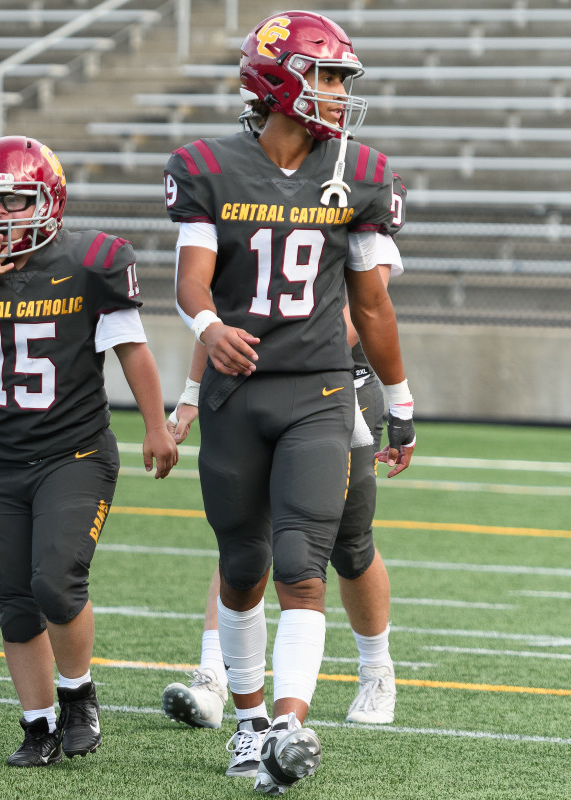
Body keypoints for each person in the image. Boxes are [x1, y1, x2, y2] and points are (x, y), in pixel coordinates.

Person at [165, 10, 416, 795]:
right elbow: (191, 282)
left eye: (343, 79)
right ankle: (245, 725)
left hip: (320, 389)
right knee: (243, 566)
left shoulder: (359, 171)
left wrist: (402, 401)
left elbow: (372, 306)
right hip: (238, 395)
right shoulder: (209, 167)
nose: (340, 94)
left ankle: (286, 724)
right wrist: (209, 330)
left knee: (302, 566)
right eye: (329, 76)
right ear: (280, 81)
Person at [0, 135, 178, 767]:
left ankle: (78, 693)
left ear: (49, 201)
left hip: (75, 454)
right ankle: (37, 726)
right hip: (1, 459)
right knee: (13, 601)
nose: (1, 216)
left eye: (15, 202)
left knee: (57, 584)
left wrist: (155, 424)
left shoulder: (93, 259)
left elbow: (131, 348)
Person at [162, 172, 407, 733]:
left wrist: (281, 355)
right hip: (253, 382)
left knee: (345, 541)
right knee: (243, 535)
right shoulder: (246, 187)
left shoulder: (358, 185)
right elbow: (220, 314)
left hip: (335, 383)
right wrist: (194, 394)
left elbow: (362, 311)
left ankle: (376, 670)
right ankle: (213, 677)